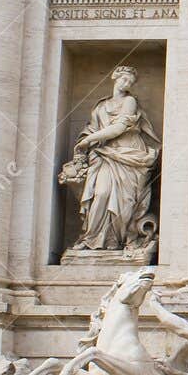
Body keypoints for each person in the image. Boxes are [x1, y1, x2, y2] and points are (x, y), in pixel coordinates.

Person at [65, 66, 160, 254]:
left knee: (124, 201)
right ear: (115, 77)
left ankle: (114, 242)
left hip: (128, 154)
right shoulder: (100, 106)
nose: (127, 84)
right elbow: (92, 129)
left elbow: (117, 129)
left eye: (130, 83)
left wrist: (88, 141)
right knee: (101, 193)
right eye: (124, 80)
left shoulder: (130, 101)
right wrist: (87, 141)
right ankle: (92, 238)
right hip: (104, 154)